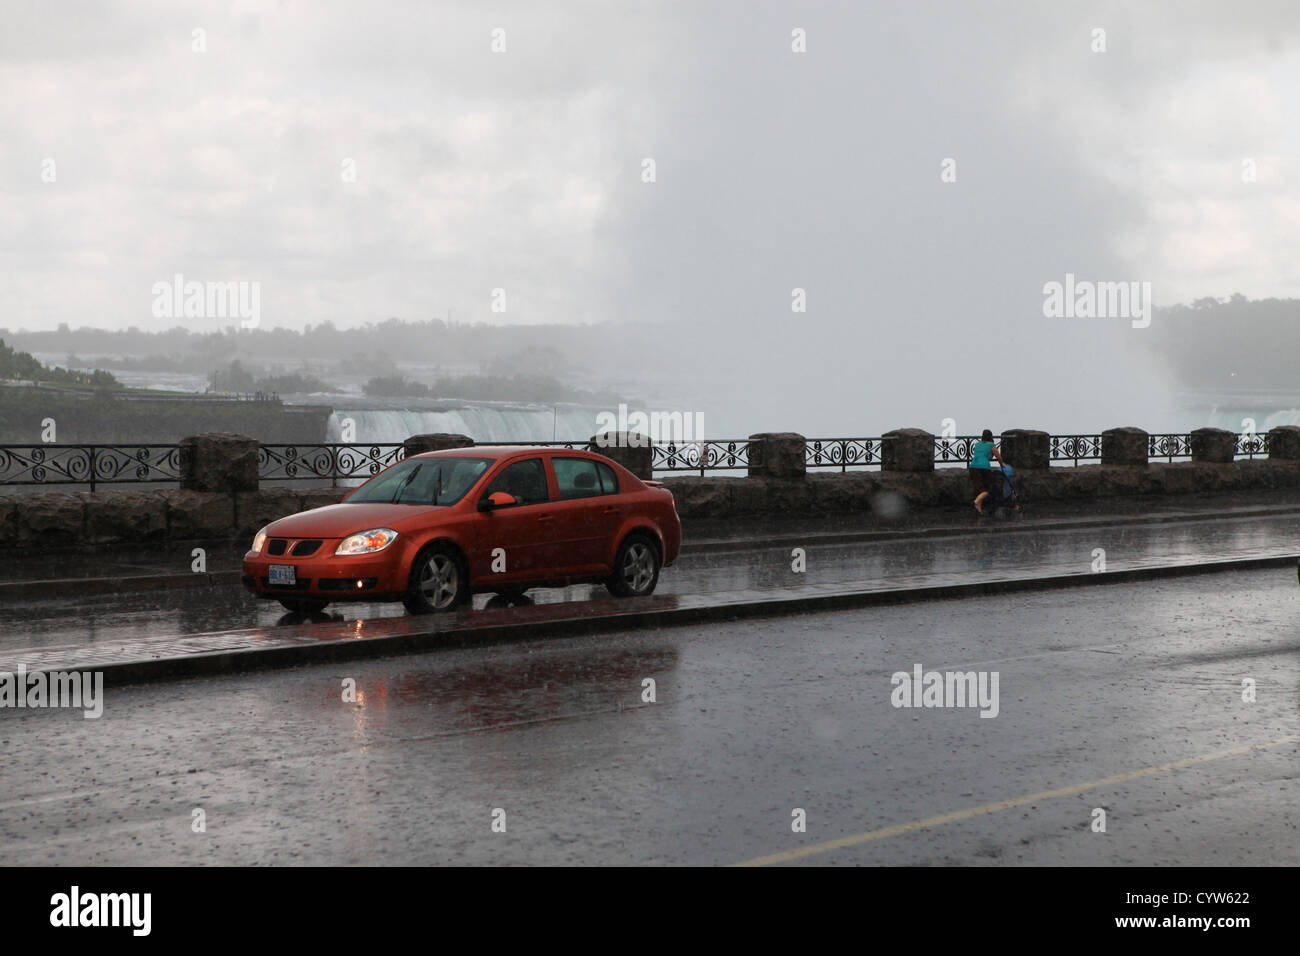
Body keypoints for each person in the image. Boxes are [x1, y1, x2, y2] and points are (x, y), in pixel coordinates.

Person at [968, 429, 1004, 515]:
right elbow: (998, 456)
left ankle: (979, 509)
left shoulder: (977, 444)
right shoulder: (991, 445)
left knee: (980, 489)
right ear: (991, 437)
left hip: (973, 466)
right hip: (984, 467)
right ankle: (976, 501)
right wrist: (1002, 464)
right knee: (989, 488)